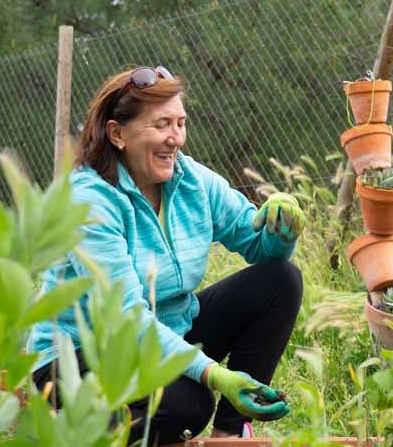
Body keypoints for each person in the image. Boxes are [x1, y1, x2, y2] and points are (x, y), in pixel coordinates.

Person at [27, 65, 306, 445]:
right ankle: (76, 432)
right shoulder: (89, 201)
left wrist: (282, 222)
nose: (175, 138)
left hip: (165, 332)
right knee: (186, 404)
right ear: (117, 134)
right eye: (161, 125)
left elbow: (259, 246)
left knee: (279, 280)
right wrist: (215, 375)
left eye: (180, 123)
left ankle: (231, 432)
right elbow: (127, 318)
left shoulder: (190, 180)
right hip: (78, 355)